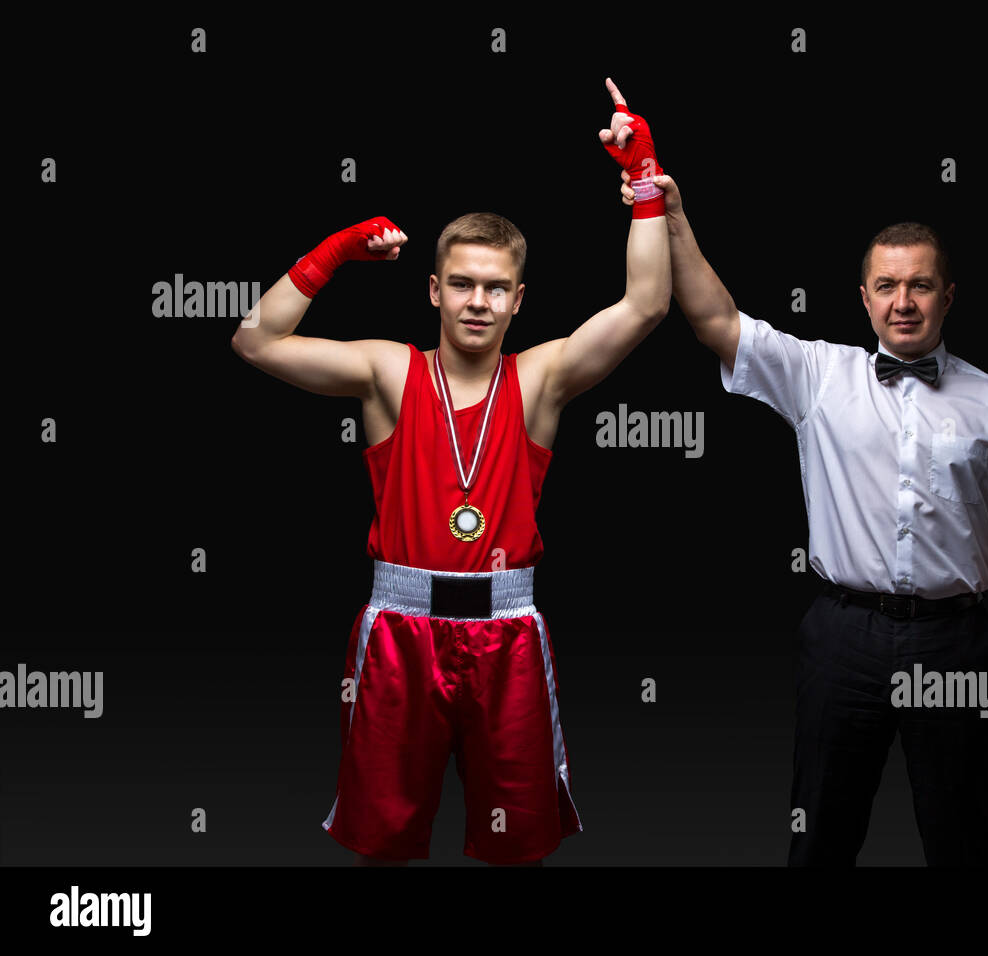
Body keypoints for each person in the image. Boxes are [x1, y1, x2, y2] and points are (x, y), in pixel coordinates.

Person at [231, 78, 669, 866]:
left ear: (518, 300)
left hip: (508, 635)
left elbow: (645, 305)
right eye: (462, 284)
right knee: (386, 841)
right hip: (399, 631)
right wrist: (335, 252)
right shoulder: (388, 373)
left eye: (495, 288)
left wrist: (644, 177)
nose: (477, 301)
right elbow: (254, 341)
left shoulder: (538, 380)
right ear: (434, 289)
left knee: (517, 845)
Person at [616, 171, 988, 866]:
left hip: (955, 642)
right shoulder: (820, 375)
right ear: (864, 299)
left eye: (920, 285)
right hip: (842, 639)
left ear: (947, 297)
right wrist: (669, 211)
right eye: (887, 286)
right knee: (821, 835)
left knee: (964, 838)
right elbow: (714, 319)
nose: (904, 301)